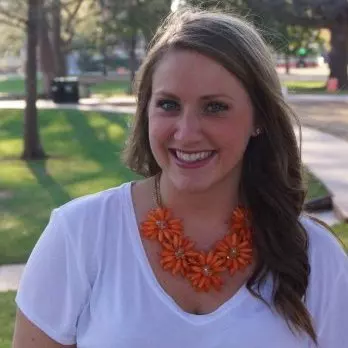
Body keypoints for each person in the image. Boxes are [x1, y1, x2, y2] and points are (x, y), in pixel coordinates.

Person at [12, 7, 348, 348]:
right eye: (169, 105)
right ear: (145, 112)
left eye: (215, 107)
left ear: (259, 118)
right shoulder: (79, 234)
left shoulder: (316, 257)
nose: (186, 134)